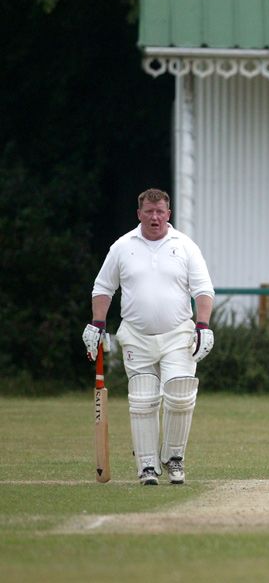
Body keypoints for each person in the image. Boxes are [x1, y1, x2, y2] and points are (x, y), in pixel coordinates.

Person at [84, 188, 215, 485]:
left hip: (178, 333)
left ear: (168, 214)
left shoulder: (185, 246)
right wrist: (97, 323)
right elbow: (103, 287)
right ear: (139, 213)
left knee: (180, 395)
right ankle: (146, 466)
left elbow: (203, 290)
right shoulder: (122, 246)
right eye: (149, 211)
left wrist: (203, 325)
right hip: (136, 335)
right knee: (143, 397)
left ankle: (174, 458)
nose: (154, 217)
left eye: (160, 212)